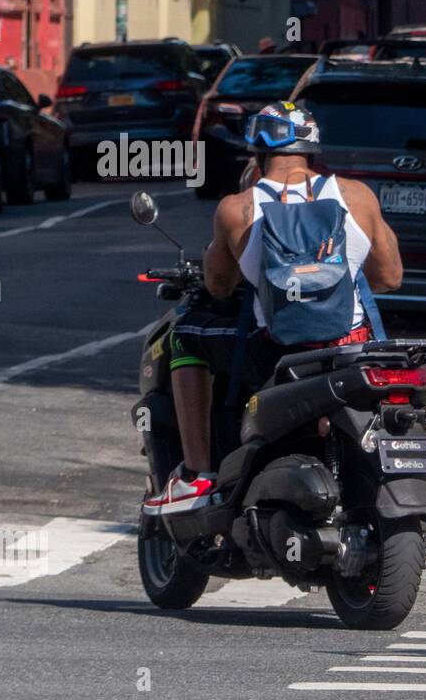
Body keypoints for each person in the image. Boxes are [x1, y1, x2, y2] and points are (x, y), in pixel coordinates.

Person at [142, 100, 402, 516]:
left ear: (257, 153)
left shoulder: (237, 208)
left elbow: (219, 287)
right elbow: (390, 277)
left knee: (183, 336)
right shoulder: (357, 196)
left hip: (279, 351)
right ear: (311, 148)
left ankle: (197, 474)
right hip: (352, 348)